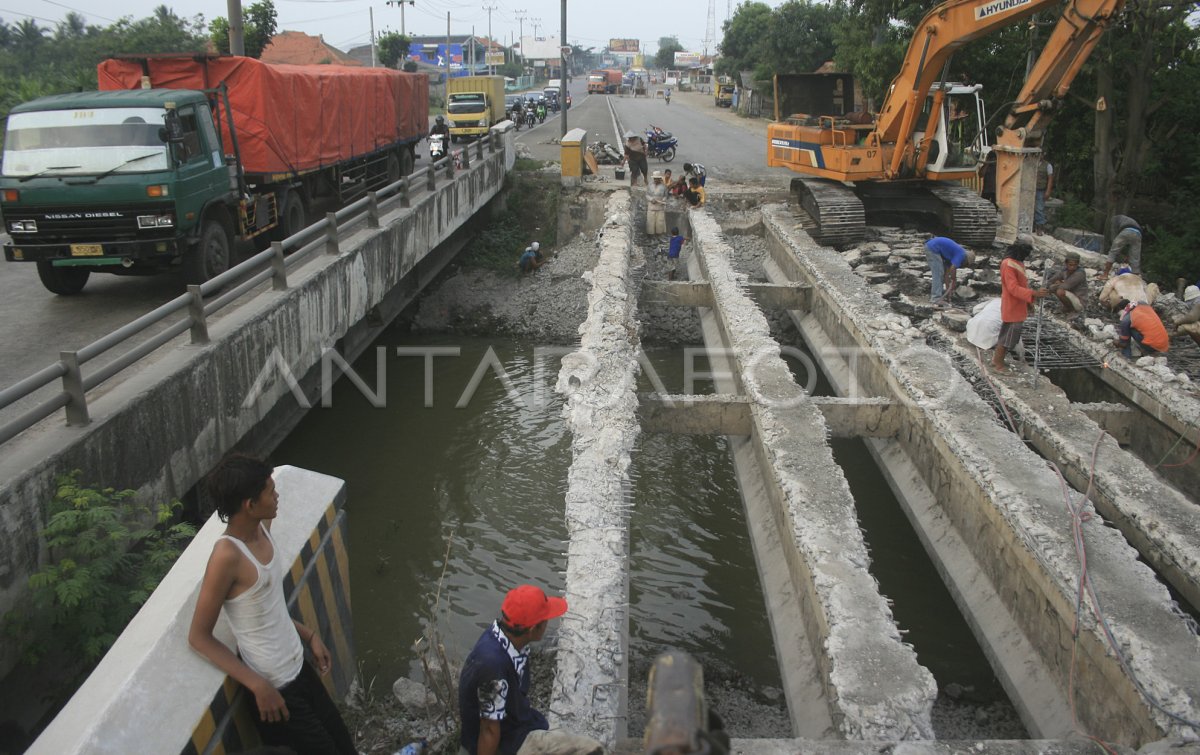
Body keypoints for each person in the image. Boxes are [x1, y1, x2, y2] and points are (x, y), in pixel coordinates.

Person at [189, 455, 356, 755]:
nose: (277, 495)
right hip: (276, 690)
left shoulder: (263, 526)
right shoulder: (227, 557)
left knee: (344, 745)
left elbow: (266, 607)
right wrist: (257, 685)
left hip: (298, 667)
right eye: (269, 491)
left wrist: (309, 636)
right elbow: (199, 637)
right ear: (249, 505)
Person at [458, 585, 601, 755]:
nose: (549, 622)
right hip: (510, 742)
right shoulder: (493, 666)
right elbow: (489, 729)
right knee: (591, 750)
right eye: (546, 619)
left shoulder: (503, 634)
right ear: (533, 630)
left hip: (517, 724)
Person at [991, 240, 1048, 373]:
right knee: (1008, 336)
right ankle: (998, 363)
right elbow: (1013, 288)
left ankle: (998, 360)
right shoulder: (1008, 264)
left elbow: (1023, 285)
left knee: (1010, 334)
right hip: (1012, 304)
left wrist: (1029, 301)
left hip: (1019, 304)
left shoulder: (1018, 263)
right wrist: (1033, 293)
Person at [924, 236, 974, 309]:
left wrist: (949, 293)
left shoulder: (952, 257)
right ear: (966, 261)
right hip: (933, 248)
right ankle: (935, 299)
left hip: (933, 247)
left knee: (941, 274)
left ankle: (938, 297)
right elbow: (953, 269)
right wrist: (954, 279)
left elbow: (947, 276)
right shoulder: (961, 255)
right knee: (938, 274)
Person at [1045, 250, 1088, 318]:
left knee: (1060, 291)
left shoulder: (1080, 273)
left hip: (1079, 301)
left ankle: (1073, 310)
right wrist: (1056, 284)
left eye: (1075, 265)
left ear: (1078, 264)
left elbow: (1066, 286)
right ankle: (1067, 307)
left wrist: (1057, 284)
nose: (1072, 267)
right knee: (1058, 289)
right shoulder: (1064, 270)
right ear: (1066, 263)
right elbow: (1051, 280)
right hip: (1072, 297)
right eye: (1070, 265)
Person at [1034, 156, 1054, 232]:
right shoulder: (1030, 163)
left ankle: (1040, 227)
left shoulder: (1048, 165)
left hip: (1040, 190)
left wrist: (1048, 191)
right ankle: (1031, 225)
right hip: (1029, 190)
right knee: (1029, 207)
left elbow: (1050, 179)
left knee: (1039, 208)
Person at [646, 171, 667, 235]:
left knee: (660, 222)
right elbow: (647, 195)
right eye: (654, 178)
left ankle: (659, 235)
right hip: (651, 206)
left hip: (660, 206)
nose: (655, 180)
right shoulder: (650, 185)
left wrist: (663, 200)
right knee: (650, 222)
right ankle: (650, 235)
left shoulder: (664, 186)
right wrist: (651, 199)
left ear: (659, 179)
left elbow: (665, 196)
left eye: (657, 178)